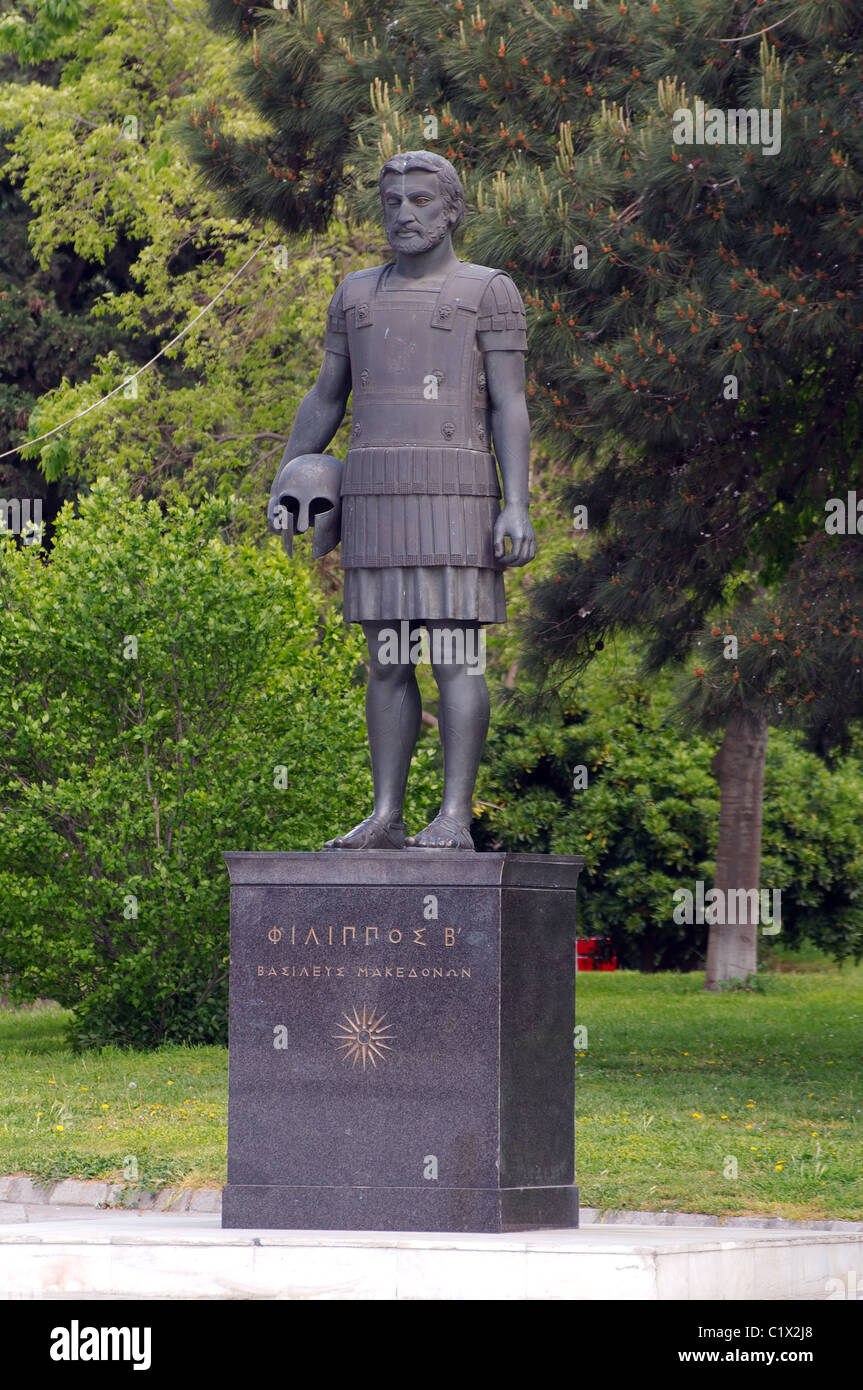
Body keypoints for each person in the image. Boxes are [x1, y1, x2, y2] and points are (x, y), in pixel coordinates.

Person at [269, 151, 536, 849]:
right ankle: (386, 814)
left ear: (450, 209)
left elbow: (510, 405)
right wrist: (285, 475)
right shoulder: (354, 296)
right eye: (393, 202)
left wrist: (518, 503)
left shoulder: (488, 291)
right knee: (386, 659)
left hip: (456, 493)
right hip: (375, 492)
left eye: (420, 200)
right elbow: (326, 397)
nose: (404, 214)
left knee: (453, 654)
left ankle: (453, 816)